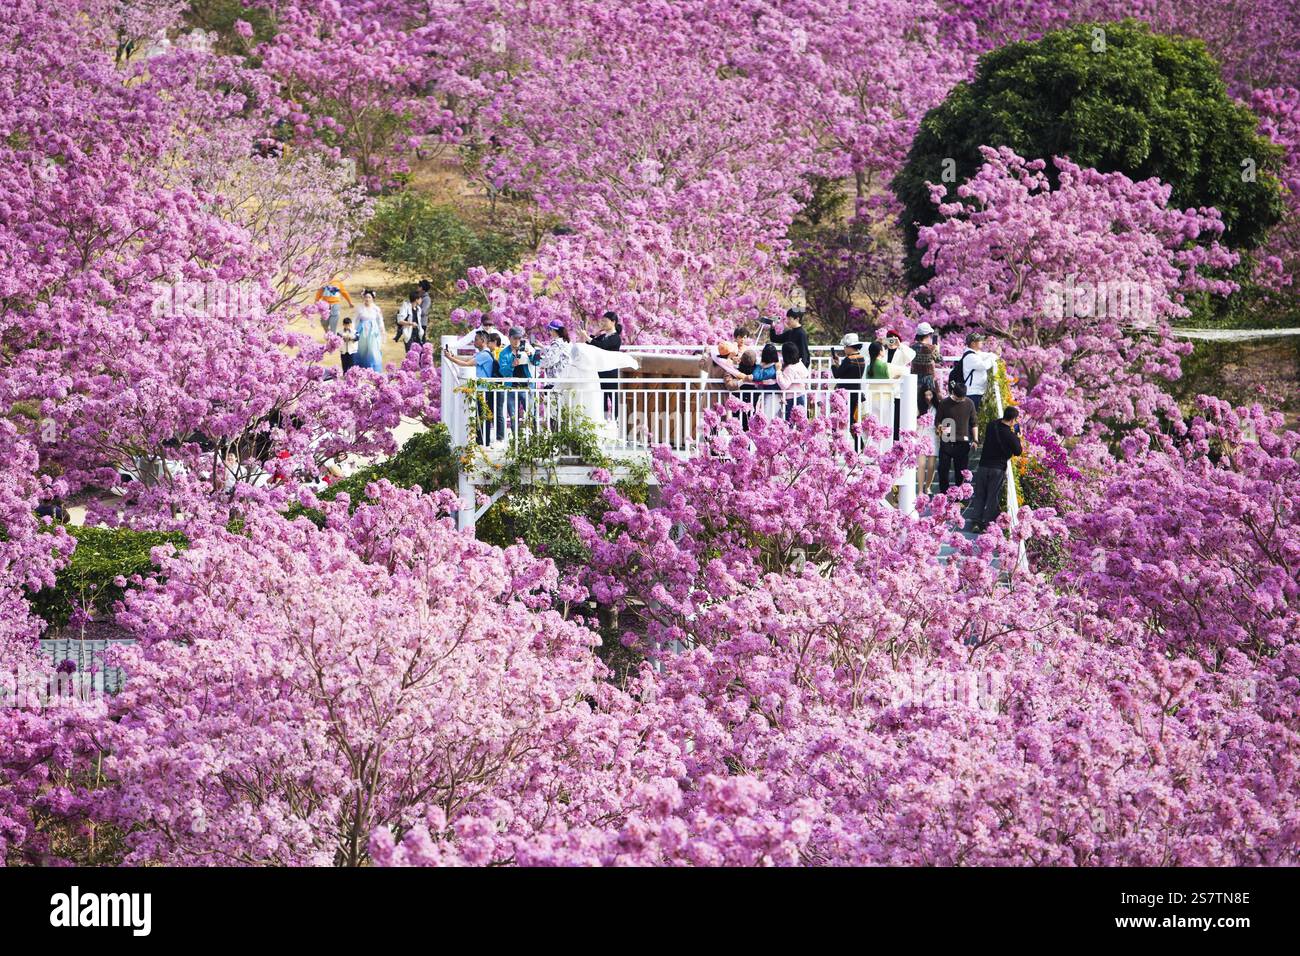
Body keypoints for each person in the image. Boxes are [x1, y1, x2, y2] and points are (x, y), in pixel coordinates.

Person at [967, 406, 1023, 533]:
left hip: (983, 466)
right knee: (992, 497)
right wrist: (1017, 435)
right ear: (1013, 419)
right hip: (997, 469)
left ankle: (976, 522)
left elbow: (998, 423)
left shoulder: (992, 425)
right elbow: (1018, 451)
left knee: (980, 494)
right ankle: (987, 524)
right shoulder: (1010, 435)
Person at [443, 329, 498, 444]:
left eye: (476, 339)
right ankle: (481, 440)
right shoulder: (483, 354)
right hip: (481, 390)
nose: (474, 342)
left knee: (482, 417)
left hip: (483, 390)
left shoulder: (484, 355)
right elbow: (467, 359)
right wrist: (453, 356)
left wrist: (450, 358)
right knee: (479, 416)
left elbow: (467, 364)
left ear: (483, 341)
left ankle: (484, 441)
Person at [935, 381, 977, 493]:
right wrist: (940, 427)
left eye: (962, 398)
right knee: (943, 469)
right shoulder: (944, 403)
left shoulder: (969, 403)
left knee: (961, 471)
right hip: (947, 440)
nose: (960, 400)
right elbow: (937, 420)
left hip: (962, 442)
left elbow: (974, 424)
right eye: (958, 398)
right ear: (953, 393)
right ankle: (944, 493)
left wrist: (975, 440)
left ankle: (959, 495)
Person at [831, 333, 868, 444]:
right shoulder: (861, 358)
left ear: (849, 347)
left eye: (845, 347)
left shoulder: (848, 360)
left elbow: (837, 374)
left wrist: (834, 365)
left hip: (844, 395)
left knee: (837, 420)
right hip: (855, 393)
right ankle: (859, 445)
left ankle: (835, 446)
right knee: (852, 420)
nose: (844, 349)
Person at [950, 332, 999, 413]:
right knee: (971, 417)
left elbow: (988, 355)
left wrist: (994, 355)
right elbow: (984, 365)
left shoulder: (975, 354)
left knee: (974, 416)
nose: (982, 342)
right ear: (973, 344)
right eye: (979, 341)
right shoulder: (970, 357)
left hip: (977, 391)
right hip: (972, 392)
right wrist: (994, 357)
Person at [498, 326, 533, 435]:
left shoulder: (526, 349)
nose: (517, 341)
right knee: (513, 416)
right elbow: (503, 372)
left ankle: (537, 438)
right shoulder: (504, 353)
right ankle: (516, 442)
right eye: (515, 338)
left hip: (526, 387)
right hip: (511, 388)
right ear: (509, 338)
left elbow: (537, 363)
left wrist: (531, 356)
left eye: (519, 338)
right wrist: (512, 365)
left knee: (533, 413)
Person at [589, 311, 623, 419]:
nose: (603, 323)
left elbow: (602, 346)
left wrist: (589, 338)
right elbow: (590, 344)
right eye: (602, 321)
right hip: (601, 370)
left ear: (613, 322)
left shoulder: (615, 337)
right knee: (602, 395)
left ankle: (616, 419)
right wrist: (593, 335)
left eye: (605, 321)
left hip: (611, 371)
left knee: (613, 396)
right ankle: (603, 418)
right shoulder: (603, 336)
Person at [353, 289, 385, 372]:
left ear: (372, 298)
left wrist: (382, 330)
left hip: (373, 331)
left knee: (373, 349)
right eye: (366, 297)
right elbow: (355, 320)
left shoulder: (376, 309)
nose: (367, 299)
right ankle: (360, 368)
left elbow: (380, 320)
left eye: (369, 297)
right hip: (362, 330)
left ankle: (374, 369)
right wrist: (352, 331)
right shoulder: (360, 308)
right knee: (361, 349)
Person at [776, 339, 809, 419]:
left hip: (792, 399)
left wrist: (778, 371)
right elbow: (806, 374)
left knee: (790, 422)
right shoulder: (799, 364)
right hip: (801, 395)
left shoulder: (790, 369)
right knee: (801, 422)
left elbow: (784, 385)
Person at [917, 381, 938, 495]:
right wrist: (920, 420)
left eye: (930, 395)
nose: (928, 397)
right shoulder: (918, 405)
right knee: (921, 464)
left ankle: (928, 487)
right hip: (921, 435)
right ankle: (920, 490)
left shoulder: (937, 406)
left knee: (931, 465)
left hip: (933, 436)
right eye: (926, 395)